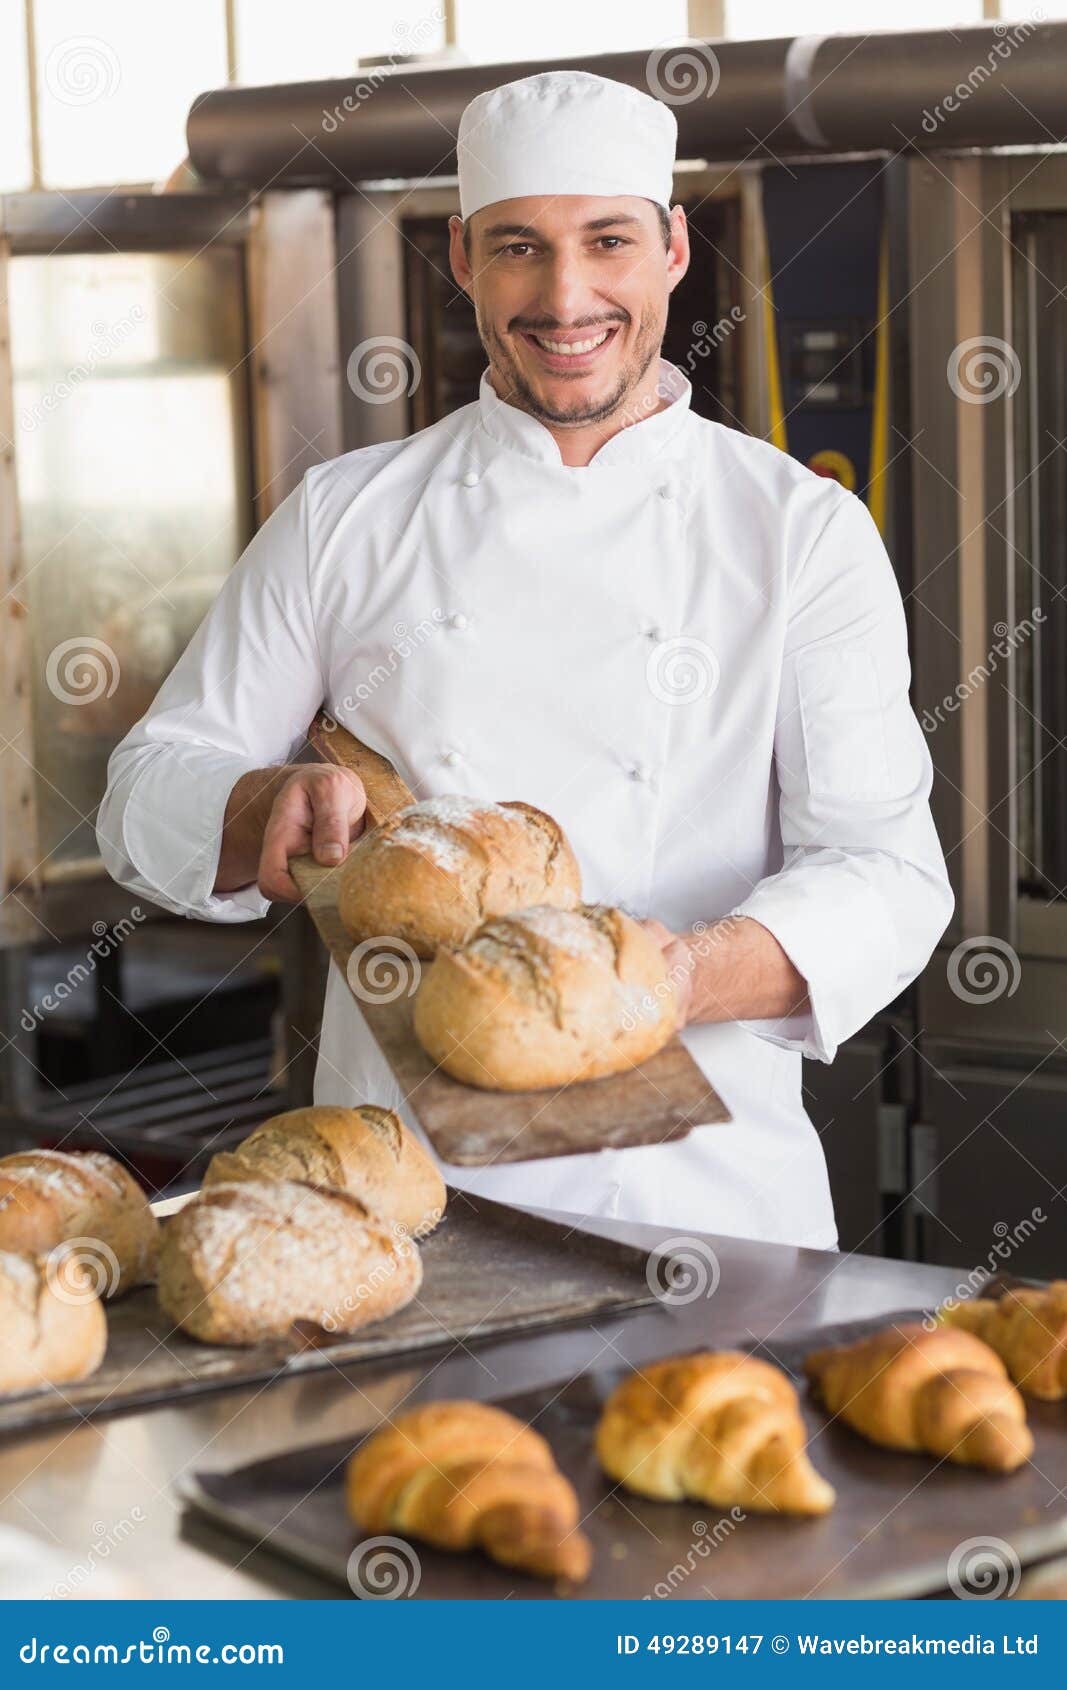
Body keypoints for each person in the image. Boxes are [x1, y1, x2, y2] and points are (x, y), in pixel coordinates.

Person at [97, 70, 953, 1251]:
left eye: (605, 241)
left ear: (670, 250)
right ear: (460, 257)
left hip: (701, 1207)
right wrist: (255, 803)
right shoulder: (345, 516)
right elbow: (147, 784)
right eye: (517, 248)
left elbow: (885, 875)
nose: (565, 297)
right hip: (392, 1216)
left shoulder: (792, 531)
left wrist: (667, 978)